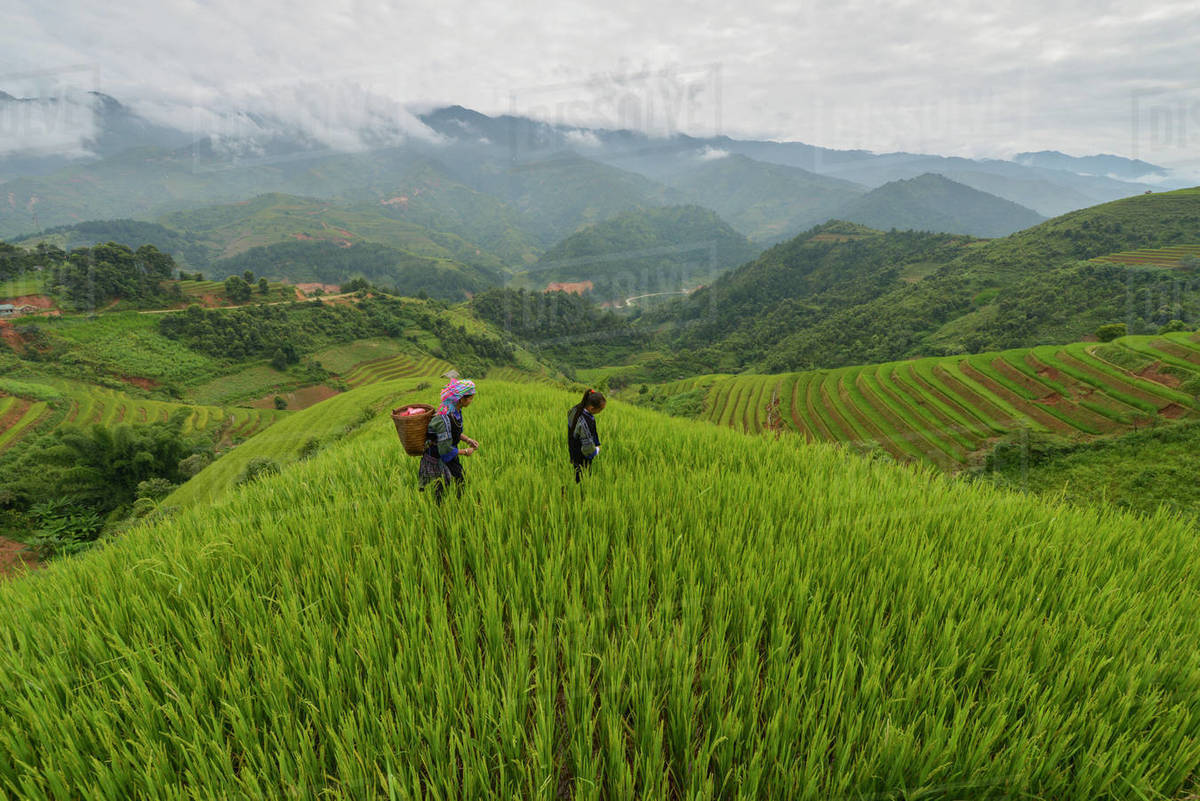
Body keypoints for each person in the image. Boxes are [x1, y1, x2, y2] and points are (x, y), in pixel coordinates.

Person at [419, 379, 479, 502]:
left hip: (450, 451)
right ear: (461, 399)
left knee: (461, 481)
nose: (471, 401)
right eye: (470, 398)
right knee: (440, 490)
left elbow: (454, 433)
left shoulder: (455, 410)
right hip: (438, 456)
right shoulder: (444, 418)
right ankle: (439, 513)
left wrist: (468, 440)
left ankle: (459, 507)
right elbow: (444, 450)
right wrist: (465, 451)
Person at [567, 388, 605, 483]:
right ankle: (580, 491)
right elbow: (587, 447)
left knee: (576, 468)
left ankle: (576, 486)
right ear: (592, 408)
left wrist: (596, 442)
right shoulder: (585, 423)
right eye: (600, 409)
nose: (601, 411)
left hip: (573, 445)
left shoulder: (576, 409)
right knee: (583, 475)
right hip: (581, 453)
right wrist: (596, 450)